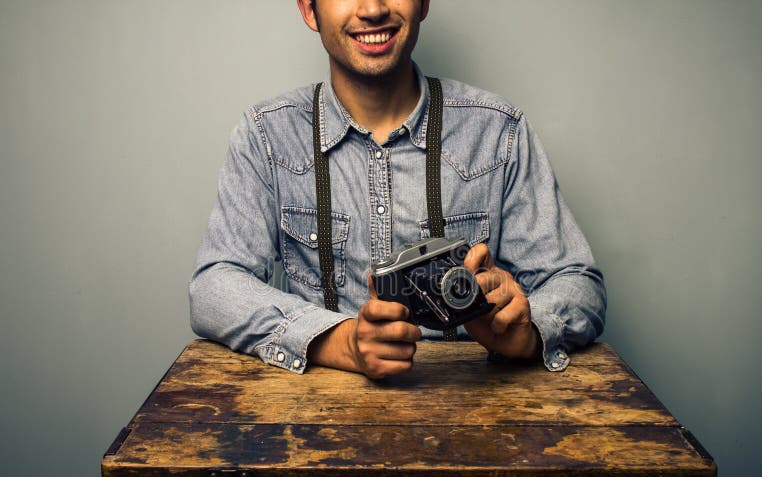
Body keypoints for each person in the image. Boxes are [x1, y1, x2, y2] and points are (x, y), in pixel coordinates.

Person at [189, 0, 606, 379]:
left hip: (477, 419)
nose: (372, 9)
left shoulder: (499, 131)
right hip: (317, 424)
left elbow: (577, 282)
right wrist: (341, 343)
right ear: (308, 9)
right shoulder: (267, 135)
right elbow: (214, 286)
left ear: (424, 3)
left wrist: (527, 330)